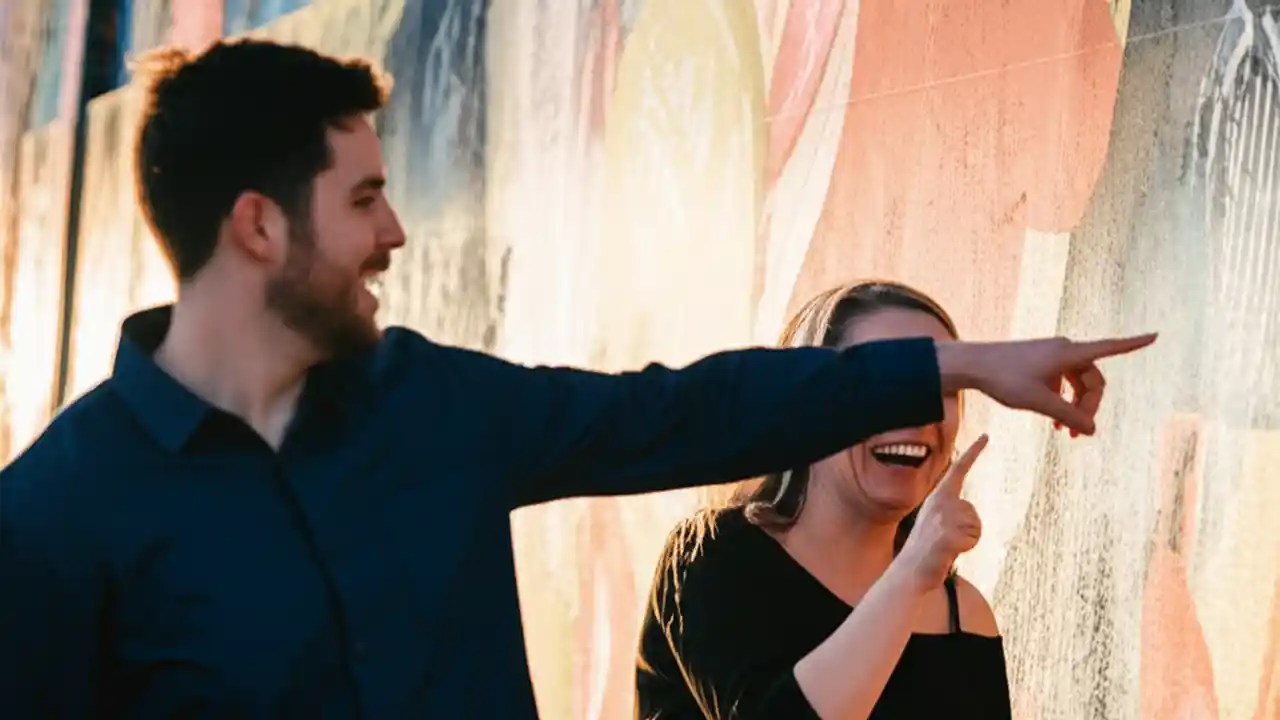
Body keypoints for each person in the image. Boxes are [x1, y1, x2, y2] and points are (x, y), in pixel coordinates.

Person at [0, 40, 1153, 719]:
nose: (397, 230)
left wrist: (960, 364)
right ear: (257, 226)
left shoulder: (434, 407)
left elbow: (682, 413)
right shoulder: (56, 516)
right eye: (360, 198)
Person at [635, 282, 1016, 719]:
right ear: (809, 405)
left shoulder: (964, 616)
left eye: (942, 384)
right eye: (886, 380)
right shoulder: (712, 557)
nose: (918, 407)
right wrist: (910, 576)